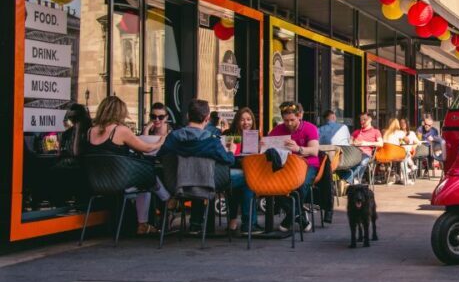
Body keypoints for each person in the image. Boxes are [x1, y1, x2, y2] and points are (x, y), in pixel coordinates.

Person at [158, 99, 256, 234]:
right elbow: (228, 160)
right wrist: (231, 151)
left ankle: (196, 224)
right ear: (207, 118)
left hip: (179, 183)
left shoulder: (173, 138)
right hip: (207, 183)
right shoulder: (211, 140)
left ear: (187, 116)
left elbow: (161, 156)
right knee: (247, 178)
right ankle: (249, 225)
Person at [85, 96, 168, 235]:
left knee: (145, 181)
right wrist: (161, 141)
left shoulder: (90, 132)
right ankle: (163, 203)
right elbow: (146, 149)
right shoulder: (120, 130)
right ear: (119, 112)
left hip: (97, 182)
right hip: (119, 182)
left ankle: (150, 218)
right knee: (147, 176)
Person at [270, 101, 320, 233]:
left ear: (300, 116)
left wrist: (298, 148)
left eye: (292, 120)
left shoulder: (310, 128)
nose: (289, 124)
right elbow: (267, 146)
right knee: (273, 184)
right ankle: (299, 215)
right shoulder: (279, 129)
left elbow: (314, 151)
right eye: (286, 120)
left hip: (308, 164)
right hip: (287, 166)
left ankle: (290, 216)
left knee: (301, 184)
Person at [347, 112, 383, 184]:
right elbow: (349, 142)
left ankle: (348, 180)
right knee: (345, 163)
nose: (362, 121)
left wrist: (366, 143)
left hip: (366, 154)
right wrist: (354, 143)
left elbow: (381, 143)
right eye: (361, 120)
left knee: (362, 162)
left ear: (370, 119)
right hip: (354, 153)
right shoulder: (356, 132)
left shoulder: (376, 131)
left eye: (364, 119)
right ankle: (353, 181)